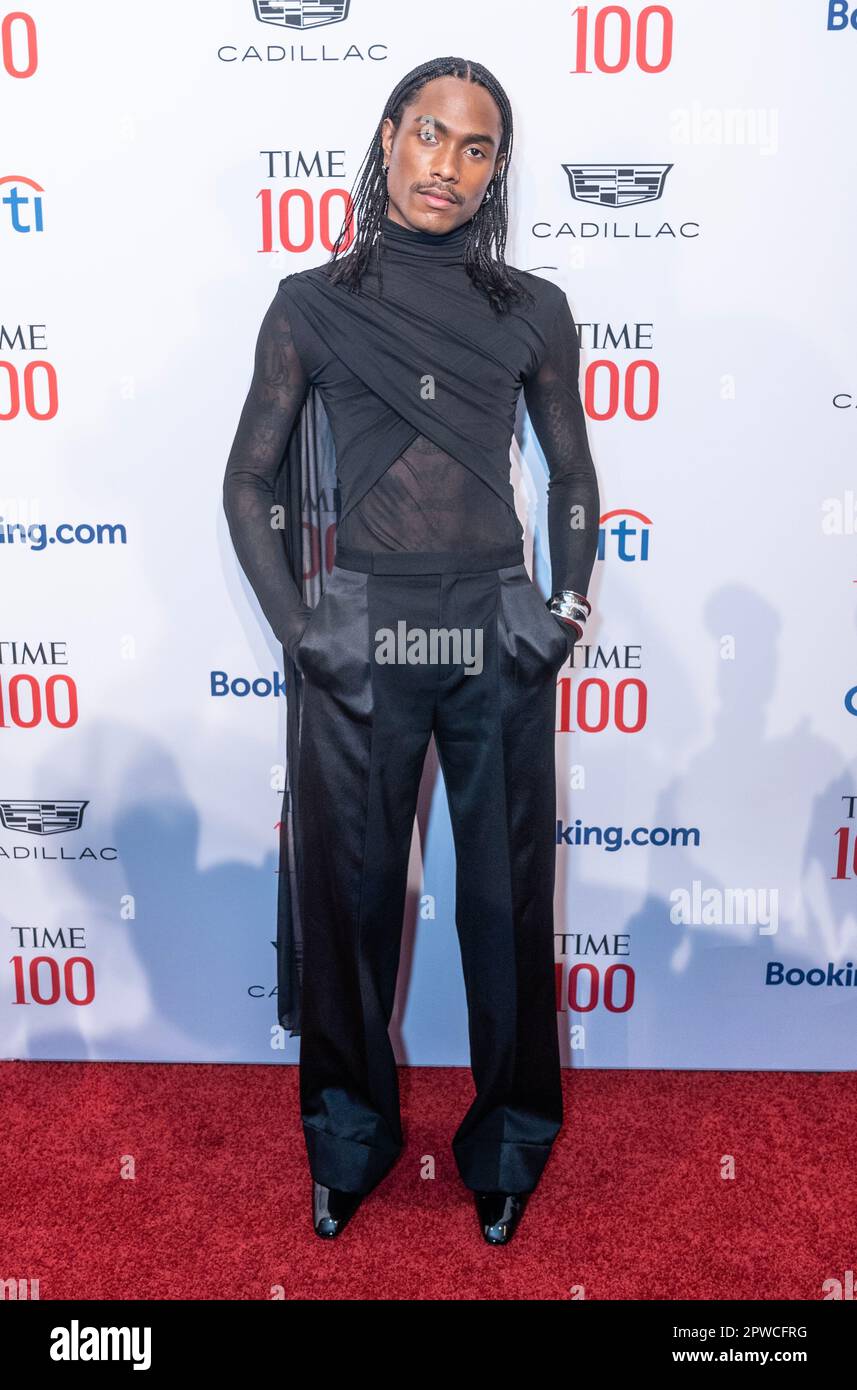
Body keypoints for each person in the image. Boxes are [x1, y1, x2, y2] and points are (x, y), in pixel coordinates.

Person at [223, 56, 600, 1245]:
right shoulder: (311, 300)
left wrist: (566, 609)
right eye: (428, 135)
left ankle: (507, 1143)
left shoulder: (531, 307)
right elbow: (244, 481)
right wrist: (300, 631)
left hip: (493, 626)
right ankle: (347, 1140)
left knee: (503, 899)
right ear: (387, 139)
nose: (447, 164)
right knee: (347, 905)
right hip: (362, 630)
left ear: (495, 170)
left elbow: (573, 475)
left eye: (475, 147)